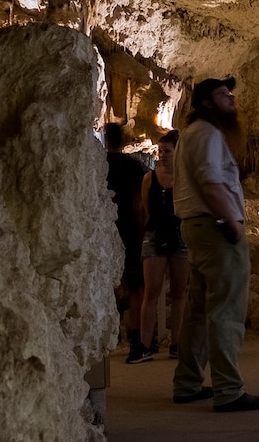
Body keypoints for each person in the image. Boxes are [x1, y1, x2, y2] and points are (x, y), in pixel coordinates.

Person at [171, 77, 259, 413]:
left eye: (230, 94)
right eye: (223, 95)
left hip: (195, 227)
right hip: (216, 229)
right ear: (206, 102)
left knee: (198, 311)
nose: (231, 99)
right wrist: (232, 223)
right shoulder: (209, 134)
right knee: (227, 309)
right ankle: (228, 390)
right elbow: (212, 183)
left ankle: (187, 383)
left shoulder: (191, 134)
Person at [136, 129, 189, 363]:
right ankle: (145, 345)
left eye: (166, 151)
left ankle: (177, 342)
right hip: (155, 235)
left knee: (179, 292)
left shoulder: (186, 178)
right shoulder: (149, 178)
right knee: (152, 291)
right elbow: (147, 210)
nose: (162, 156)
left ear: (178, 152)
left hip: (179, 235)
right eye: (160, 151)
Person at [105, 123, 150, 363]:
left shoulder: (100, 164)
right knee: (136, 290)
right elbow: (139, 201)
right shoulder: (133, 166)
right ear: (123, 141)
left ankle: (104, 339)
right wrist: (143, 229)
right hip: (130, 232)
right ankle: (136, 343)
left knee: (107, 287)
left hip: (105, 232)